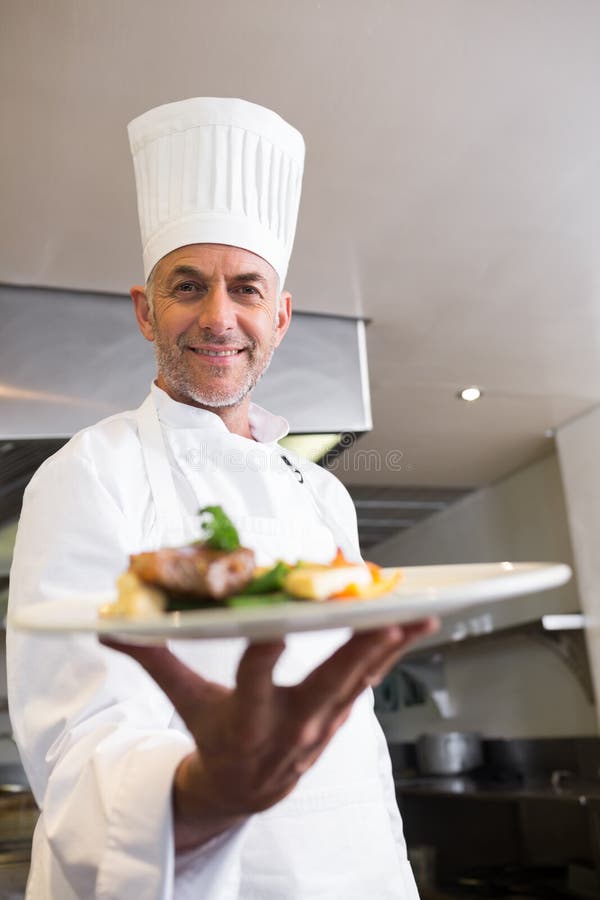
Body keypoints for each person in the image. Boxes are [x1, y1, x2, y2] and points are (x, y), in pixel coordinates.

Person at [7, 97, 436, 900]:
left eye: (245, 290)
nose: (218, 317)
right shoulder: (89, 472)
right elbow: (77, 741)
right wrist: (214, 789)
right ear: (145, 311)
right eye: (188, 286)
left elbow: (354, 736)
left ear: (279, 317)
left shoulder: (323, 493)